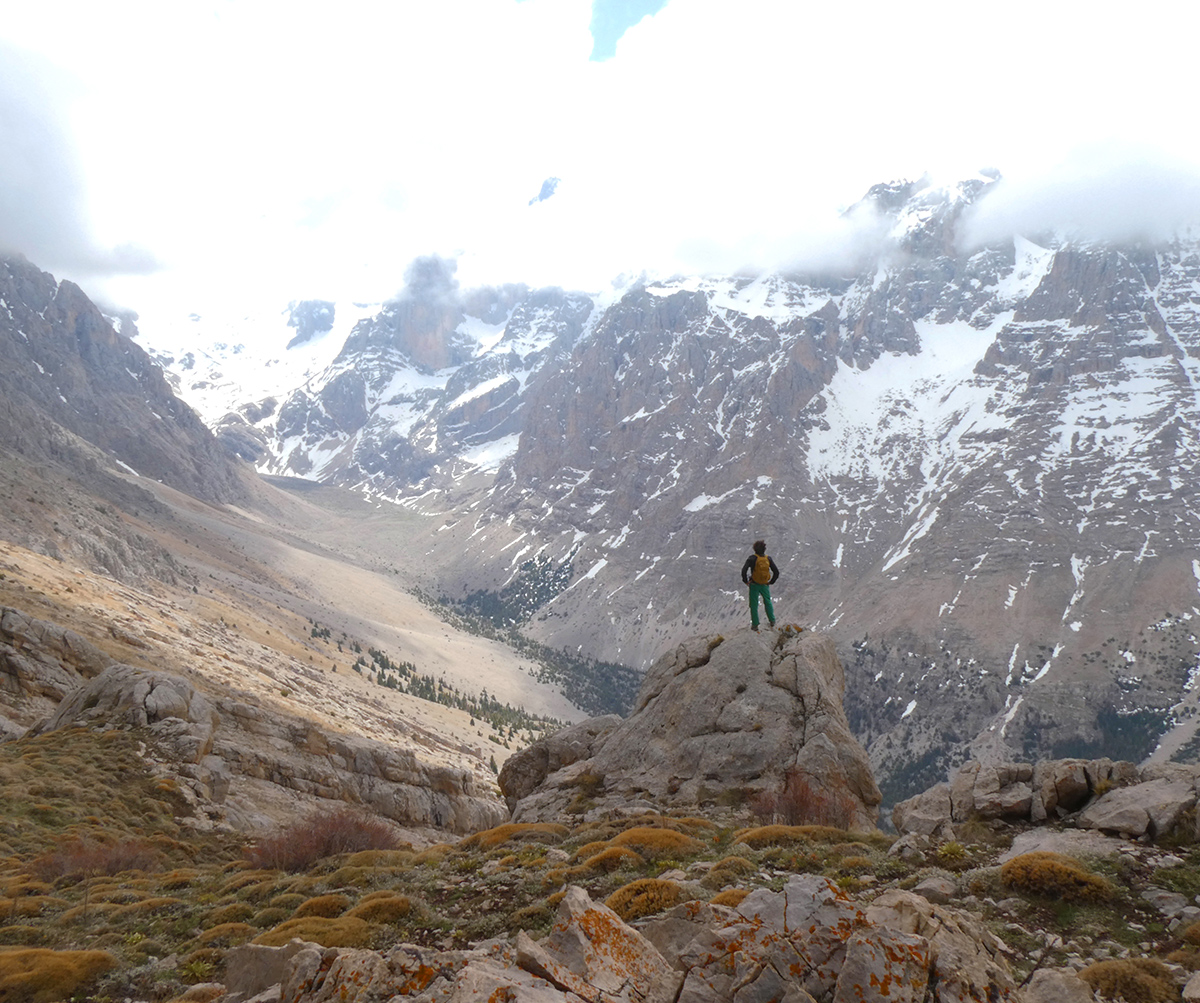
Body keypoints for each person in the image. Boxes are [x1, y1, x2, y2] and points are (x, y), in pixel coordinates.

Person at [741, 539, 778, 631]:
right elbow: (776, 572)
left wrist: (745, 581)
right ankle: (772, 621)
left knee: (753, 605)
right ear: (764, 549)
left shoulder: (752, 558)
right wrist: (771, 582)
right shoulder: (768, 558)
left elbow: (744, 570)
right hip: (765, 585)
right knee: (768, 602)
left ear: (754, 549)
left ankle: (755, 625)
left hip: (754, 584)